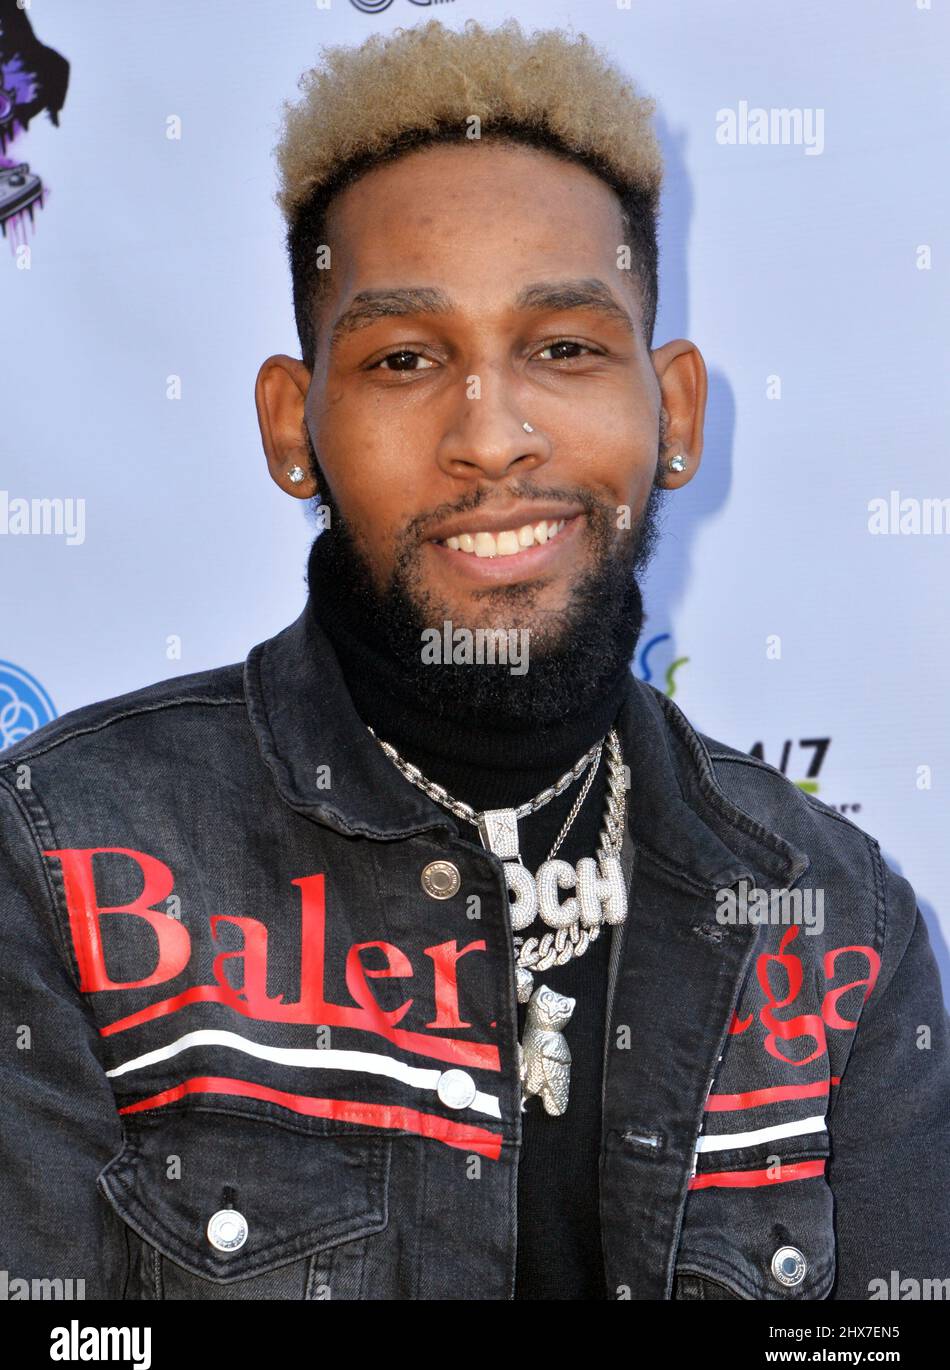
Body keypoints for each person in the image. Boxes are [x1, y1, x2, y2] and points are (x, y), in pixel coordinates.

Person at [1, 18, 948, 1302]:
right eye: (404, 359)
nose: (490, 437)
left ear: (670, 411)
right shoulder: (64, 860)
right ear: (294, 426)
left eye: (562, 347)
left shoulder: (840, 922)